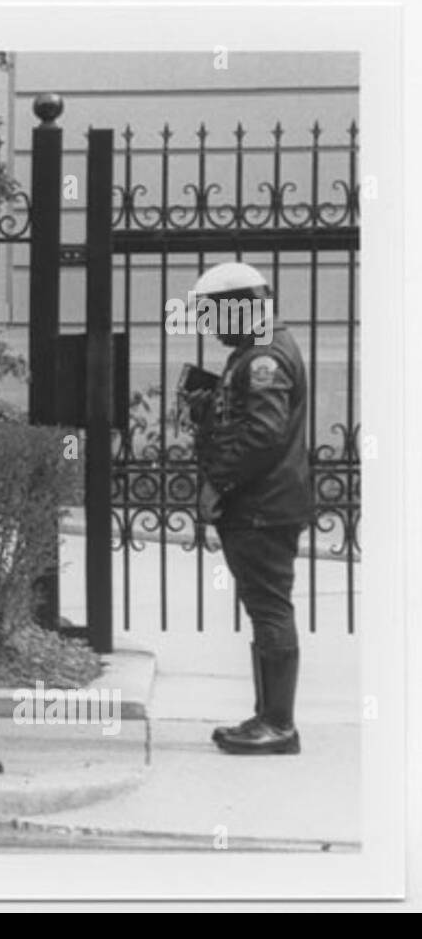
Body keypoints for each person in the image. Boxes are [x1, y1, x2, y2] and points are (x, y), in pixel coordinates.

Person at [188, 262, 312, 755]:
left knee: (269, 609)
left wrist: (219, 479)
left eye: (215, 314)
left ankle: (278, 724)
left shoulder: (263, 357)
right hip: (264, 505)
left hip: (262, 506)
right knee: (265, 609)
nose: (211, 325)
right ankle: (268, 716)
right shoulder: (256, 351)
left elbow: (264, 434)